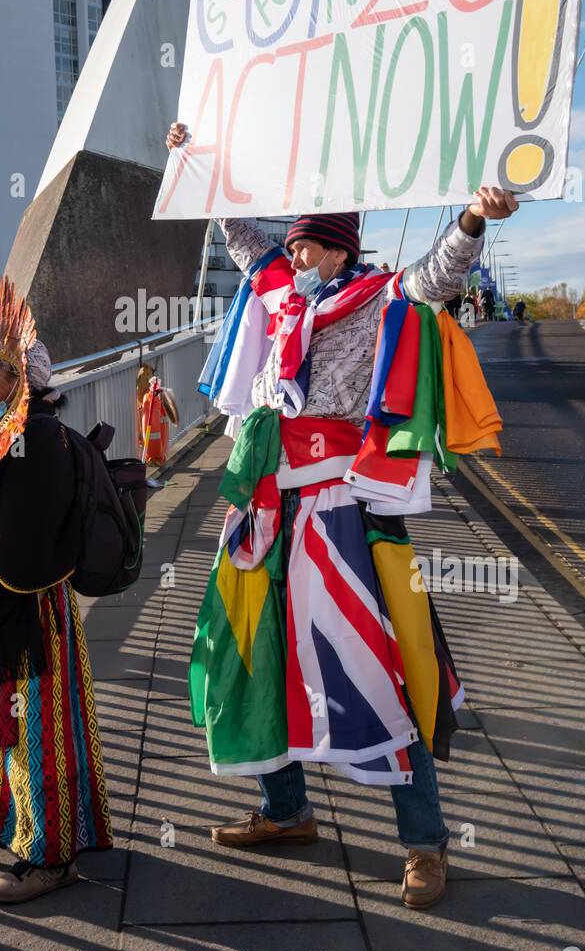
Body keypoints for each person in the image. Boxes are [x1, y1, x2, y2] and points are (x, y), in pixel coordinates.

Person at [166, 122, 518, 909]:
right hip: (265, 508)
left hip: (341, 512)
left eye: (303, 247)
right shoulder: (282, 294)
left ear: (334, 251)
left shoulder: (375, 296)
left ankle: (424, 845)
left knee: (378, 667)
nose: (288, 256)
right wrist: (193, 158)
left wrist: (473, 218)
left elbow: (436, 277)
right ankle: (286, 811)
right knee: (249, 654)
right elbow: (237, 234)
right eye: (289, 248)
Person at [0, 228, 113, 905]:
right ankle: (36, 841)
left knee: (38, 734)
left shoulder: (32, 440)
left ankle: (51, 857)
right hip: (22, 607)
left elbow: (23, 541)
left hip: (27, 611)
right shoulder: (7, 433)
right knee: (25, 731)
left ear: (19, 379)